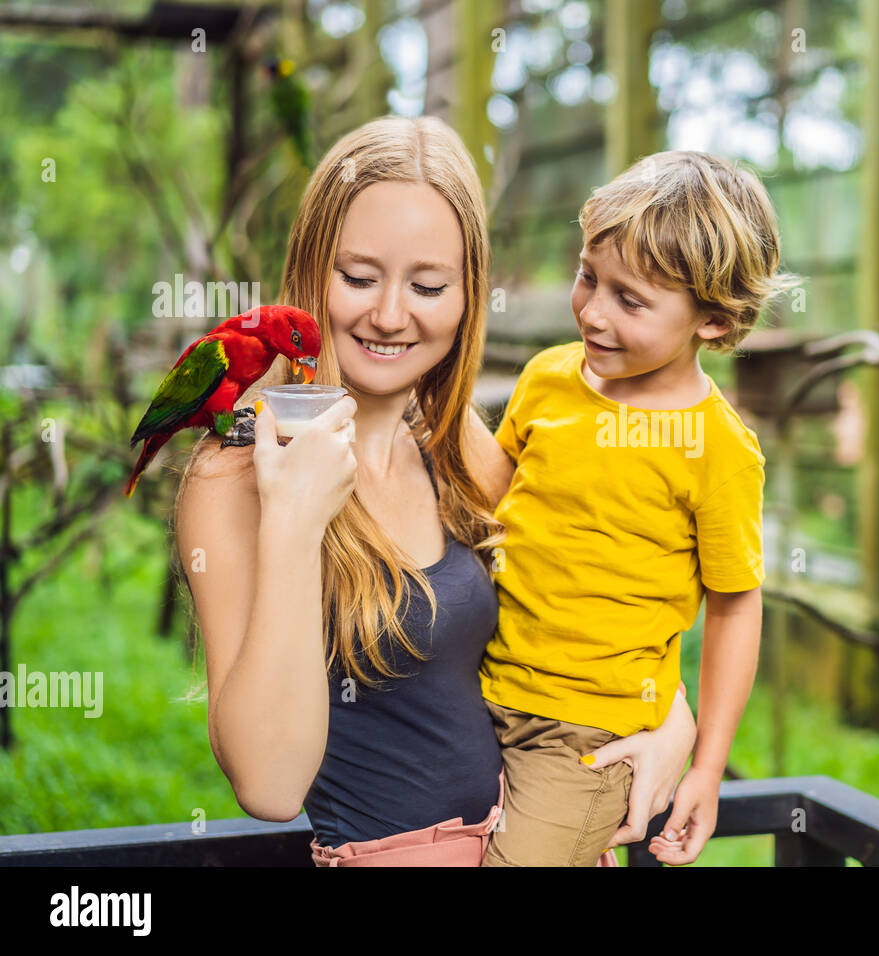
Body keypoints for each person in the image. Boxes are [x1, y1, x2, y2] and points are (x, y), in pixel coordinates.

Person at [174, 116, 697, 866]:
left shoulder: (460, 447)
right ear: (308, 273)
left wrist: (674, 718)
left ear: (467, 296)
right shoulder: (237, 474)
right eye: (357, 278)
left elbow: (590, 594)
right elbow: (268, 785)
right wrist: (293, 520)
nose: (389, 315)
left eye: (427, 285)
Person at [473, 150, 800, 866]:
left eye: (630, 299)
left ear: (713, 321)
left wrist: (707, 767)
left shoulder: (719, 450)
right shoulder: (549, 378)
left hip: (591, 736)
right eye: (589, 276)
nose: (592, 310)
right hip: (476, 687)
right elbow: (492, 499)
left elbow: (737, 605)